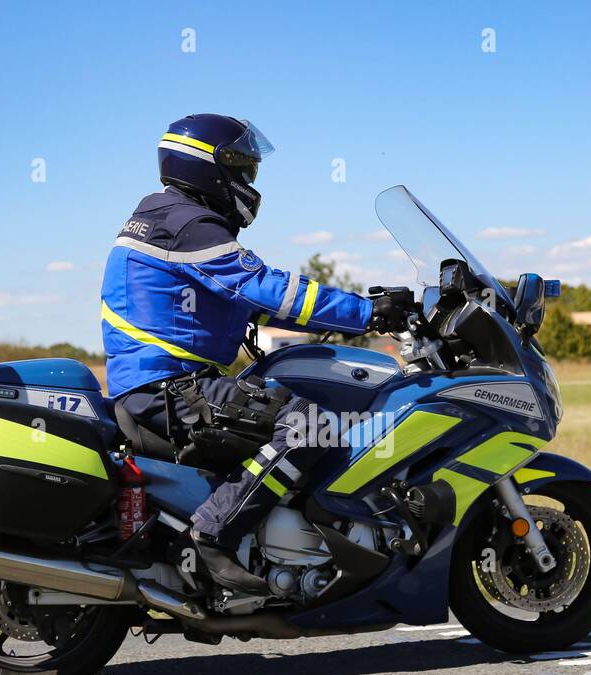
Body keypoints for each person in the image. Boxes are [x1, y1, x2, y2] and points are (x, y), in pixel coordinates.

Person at [100, 114, 407, 593]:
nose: (248, 180)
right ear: (208, 167)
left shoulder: (163, 217)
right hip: (170, 392)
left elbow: (250, 305)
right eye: (242, 167)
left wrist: (346, 319)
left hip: (159, 388)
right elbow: (267, 287)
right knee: (311, 424)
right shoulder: (186, 225)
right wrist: (369, 313)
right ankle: (216, 533)